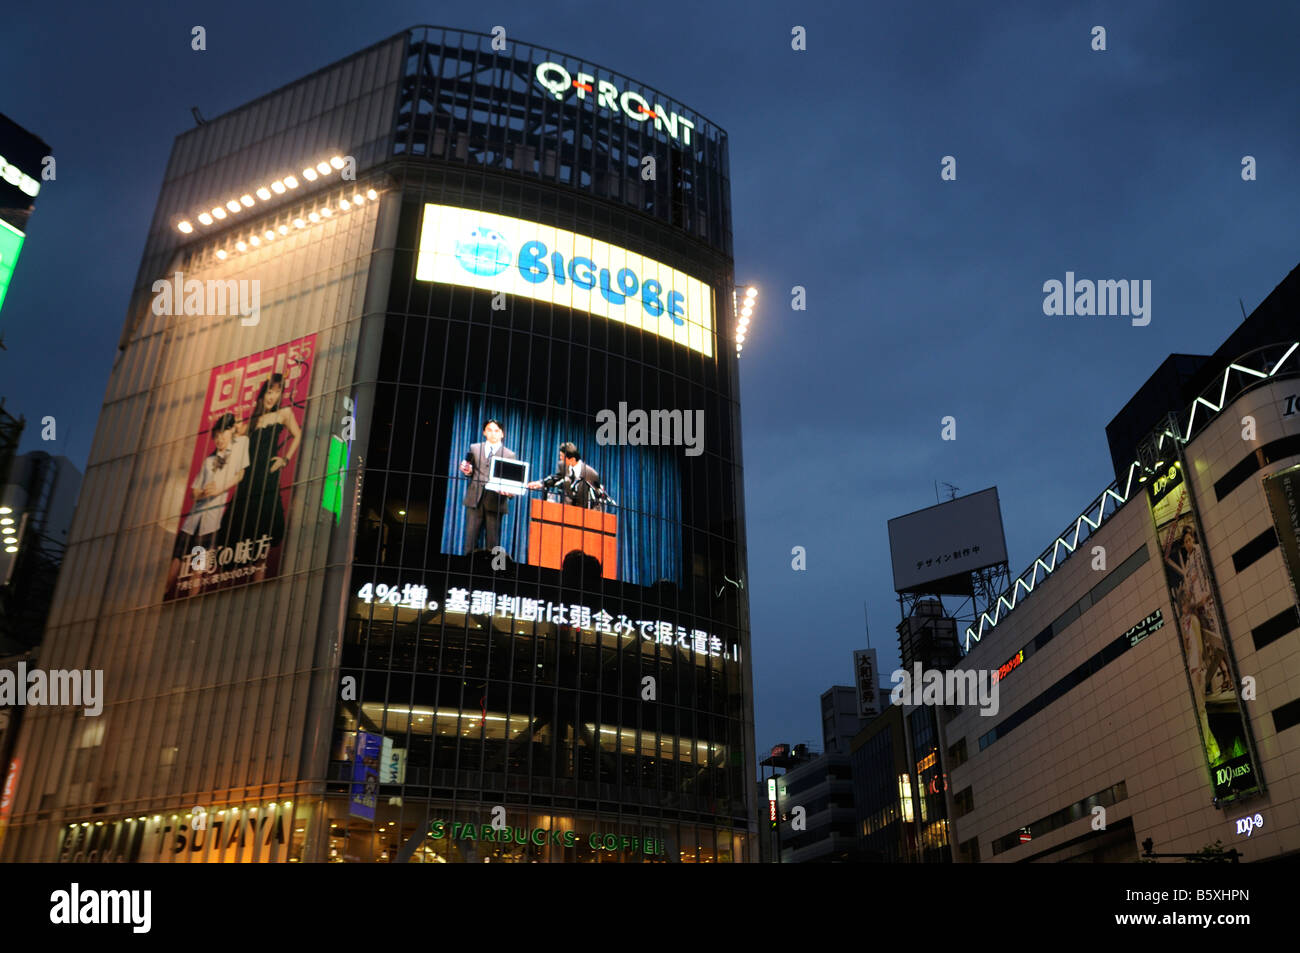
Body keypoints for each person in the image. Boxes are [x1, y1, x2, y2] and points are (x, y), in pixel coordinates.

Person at [166, 412, 249, 595]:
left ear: (231, 433)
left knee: (198, 567)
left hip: (210, 523)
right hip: (193, 521)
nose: (219, 439)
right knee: (176, 559)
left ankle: (191, 601)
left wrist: (220, 489)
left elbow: (240, 474)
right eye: (216, 435)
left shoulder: (237, 452)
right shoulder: (208, 461)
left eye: (223, 433)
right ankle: (165, 593)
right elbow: (193, 492)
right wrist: (202, 493)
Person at [220, 372, 302, 551]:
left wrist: (285, 459)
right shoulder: (255, 419)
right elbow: (236, 435)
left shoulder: (284, 413)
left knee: (264, 529)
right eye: (269, 392)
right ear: (263, 393)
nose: (271, 396)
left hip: (267, 473)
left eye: (276, 392)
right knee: (238, 528)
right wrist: (236, 426)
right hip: (248, 477)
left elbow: (298, 435)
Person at [459, 419, 518, 552]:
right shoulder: (474, 448)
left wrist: (510, 492)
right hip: (475, 500)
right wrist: (467, 471)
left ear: (502, 434)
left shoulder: (509, 455)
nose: (493, 434)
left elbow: (511, 482)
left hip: (496, 502)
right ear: (484, 432)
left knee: (493, 543)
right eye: (489, 430)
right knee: (470, 541)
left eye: (496, 431)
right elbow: (470, 472)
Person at [528, 442, 603, 508]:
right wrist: (540, 483)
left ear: (572, 459)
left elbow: (597, 499)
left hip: (583, 514)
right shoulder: (562, 466)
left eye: (562, 457)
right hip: (566, 511)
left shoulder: (591, 474)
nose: (560, 459)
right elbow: (555, 479)